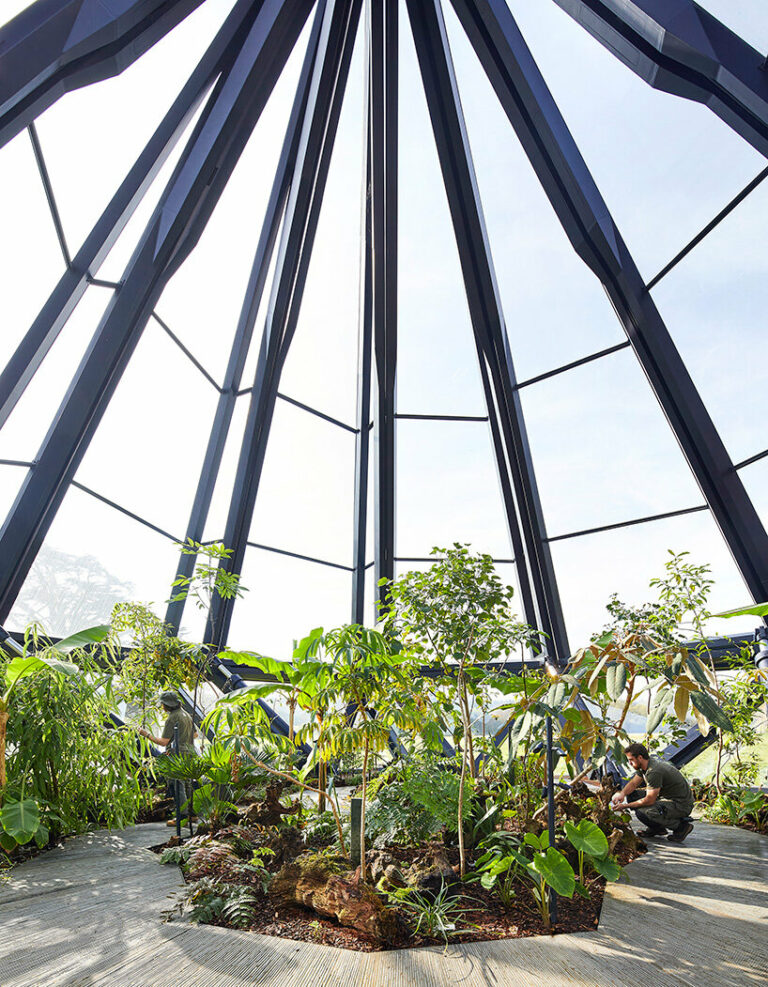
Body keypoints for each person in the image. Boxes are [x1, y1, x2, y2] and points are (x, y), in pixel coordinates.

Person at [612, 742, 694, 843]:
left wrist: (625, 806)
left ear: (640, 757)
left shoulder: (653, 771)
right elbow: (633, 783)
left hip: (681, 804)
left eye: (631, 760)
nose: (630, 763)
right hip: (666, 797)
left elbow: (649, 800)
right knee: (632, 795)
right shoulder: (645, 766)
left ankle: (681, 827)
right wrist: (622, 794)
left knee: (643, 812)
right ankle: (657, 828)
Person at [137, 691, 198, 823]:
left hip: (178, 755)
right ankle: (192, 815)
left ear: (167, 705)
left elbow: (163, 742)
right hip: (190, 753)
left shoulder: (173, 717)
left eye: (163, 704)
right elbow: (195, 735)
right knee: (188, 784)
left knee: (176, 784)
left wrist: (145, 734)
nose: (162, 706)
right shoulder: (186, 714)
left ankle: (182, 817)